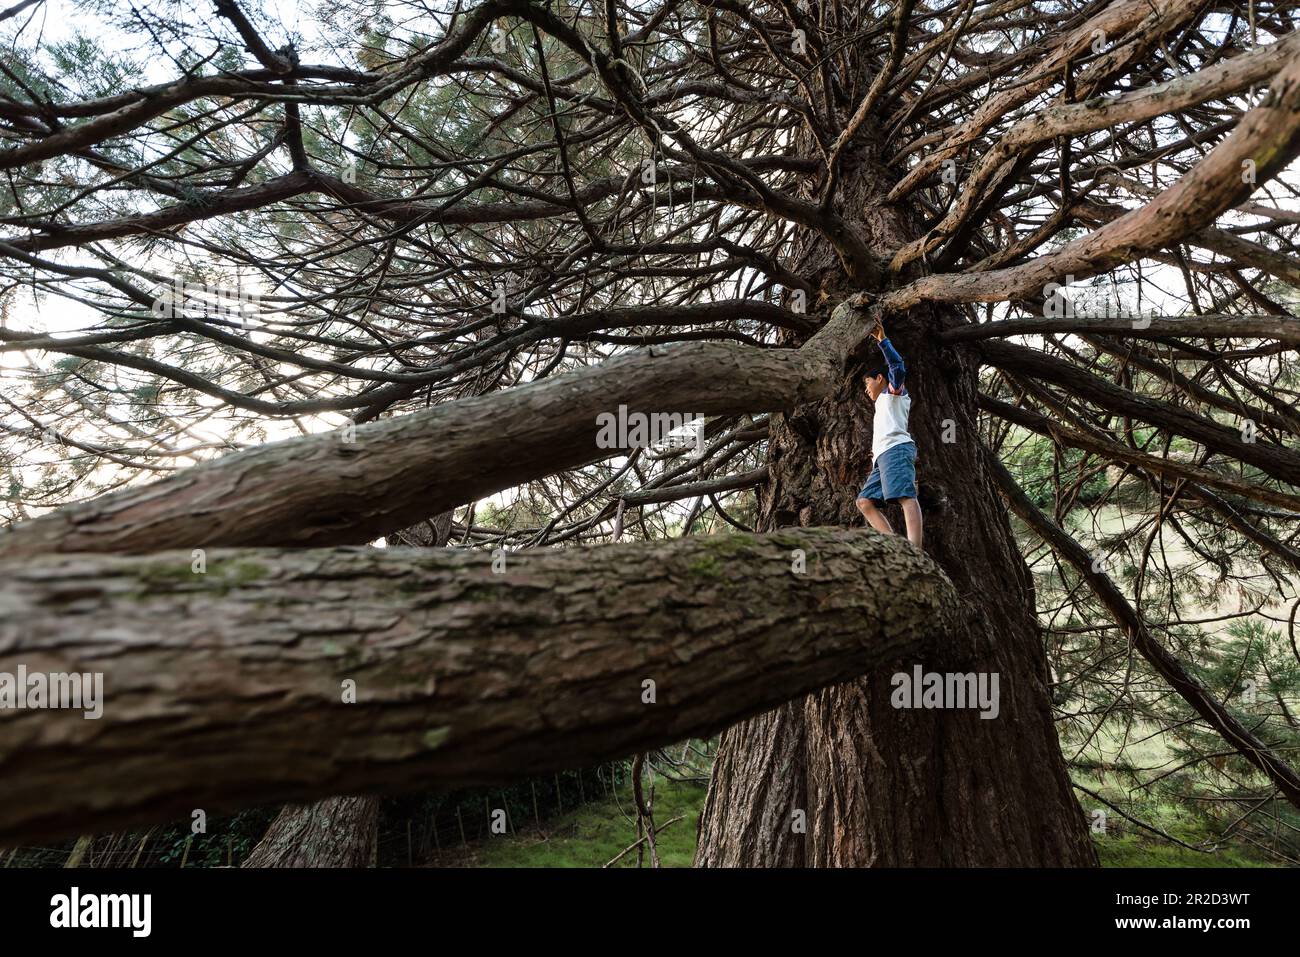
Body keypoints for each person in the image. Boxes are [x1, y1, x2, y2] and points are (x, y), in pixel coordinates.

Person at [855, 321, 922, 548]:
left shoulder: (893, 392)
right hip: (881, 458)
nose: (866, 389)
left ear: (880, 379)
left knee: (905, 496)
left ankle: (914, 549)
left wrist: (883, 341)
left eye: (867, 383)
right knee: (864, 502)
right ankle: (896, 545)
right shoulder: (880, 405)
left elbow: (897, 367)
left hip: (896, 448)